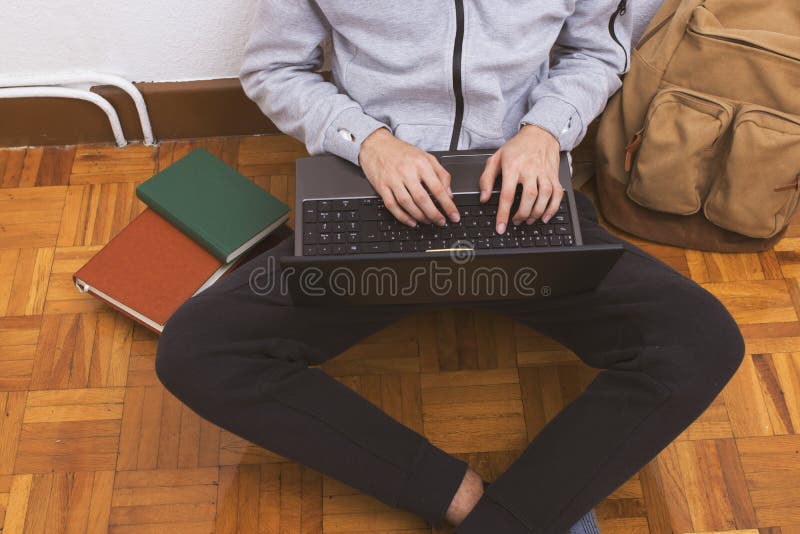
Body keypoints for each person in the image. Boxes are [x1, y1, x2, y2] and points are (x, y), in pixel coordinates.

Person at [154, 1, 745, 533]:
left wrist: (545, 131)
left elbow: (596, 51)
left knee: (702, 340)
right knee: (197, 350)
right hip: (378, 200)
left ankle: (504, 520)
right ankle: (475, 505)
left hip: (521, 196)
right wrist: (370, 143)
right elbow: (273, 69)